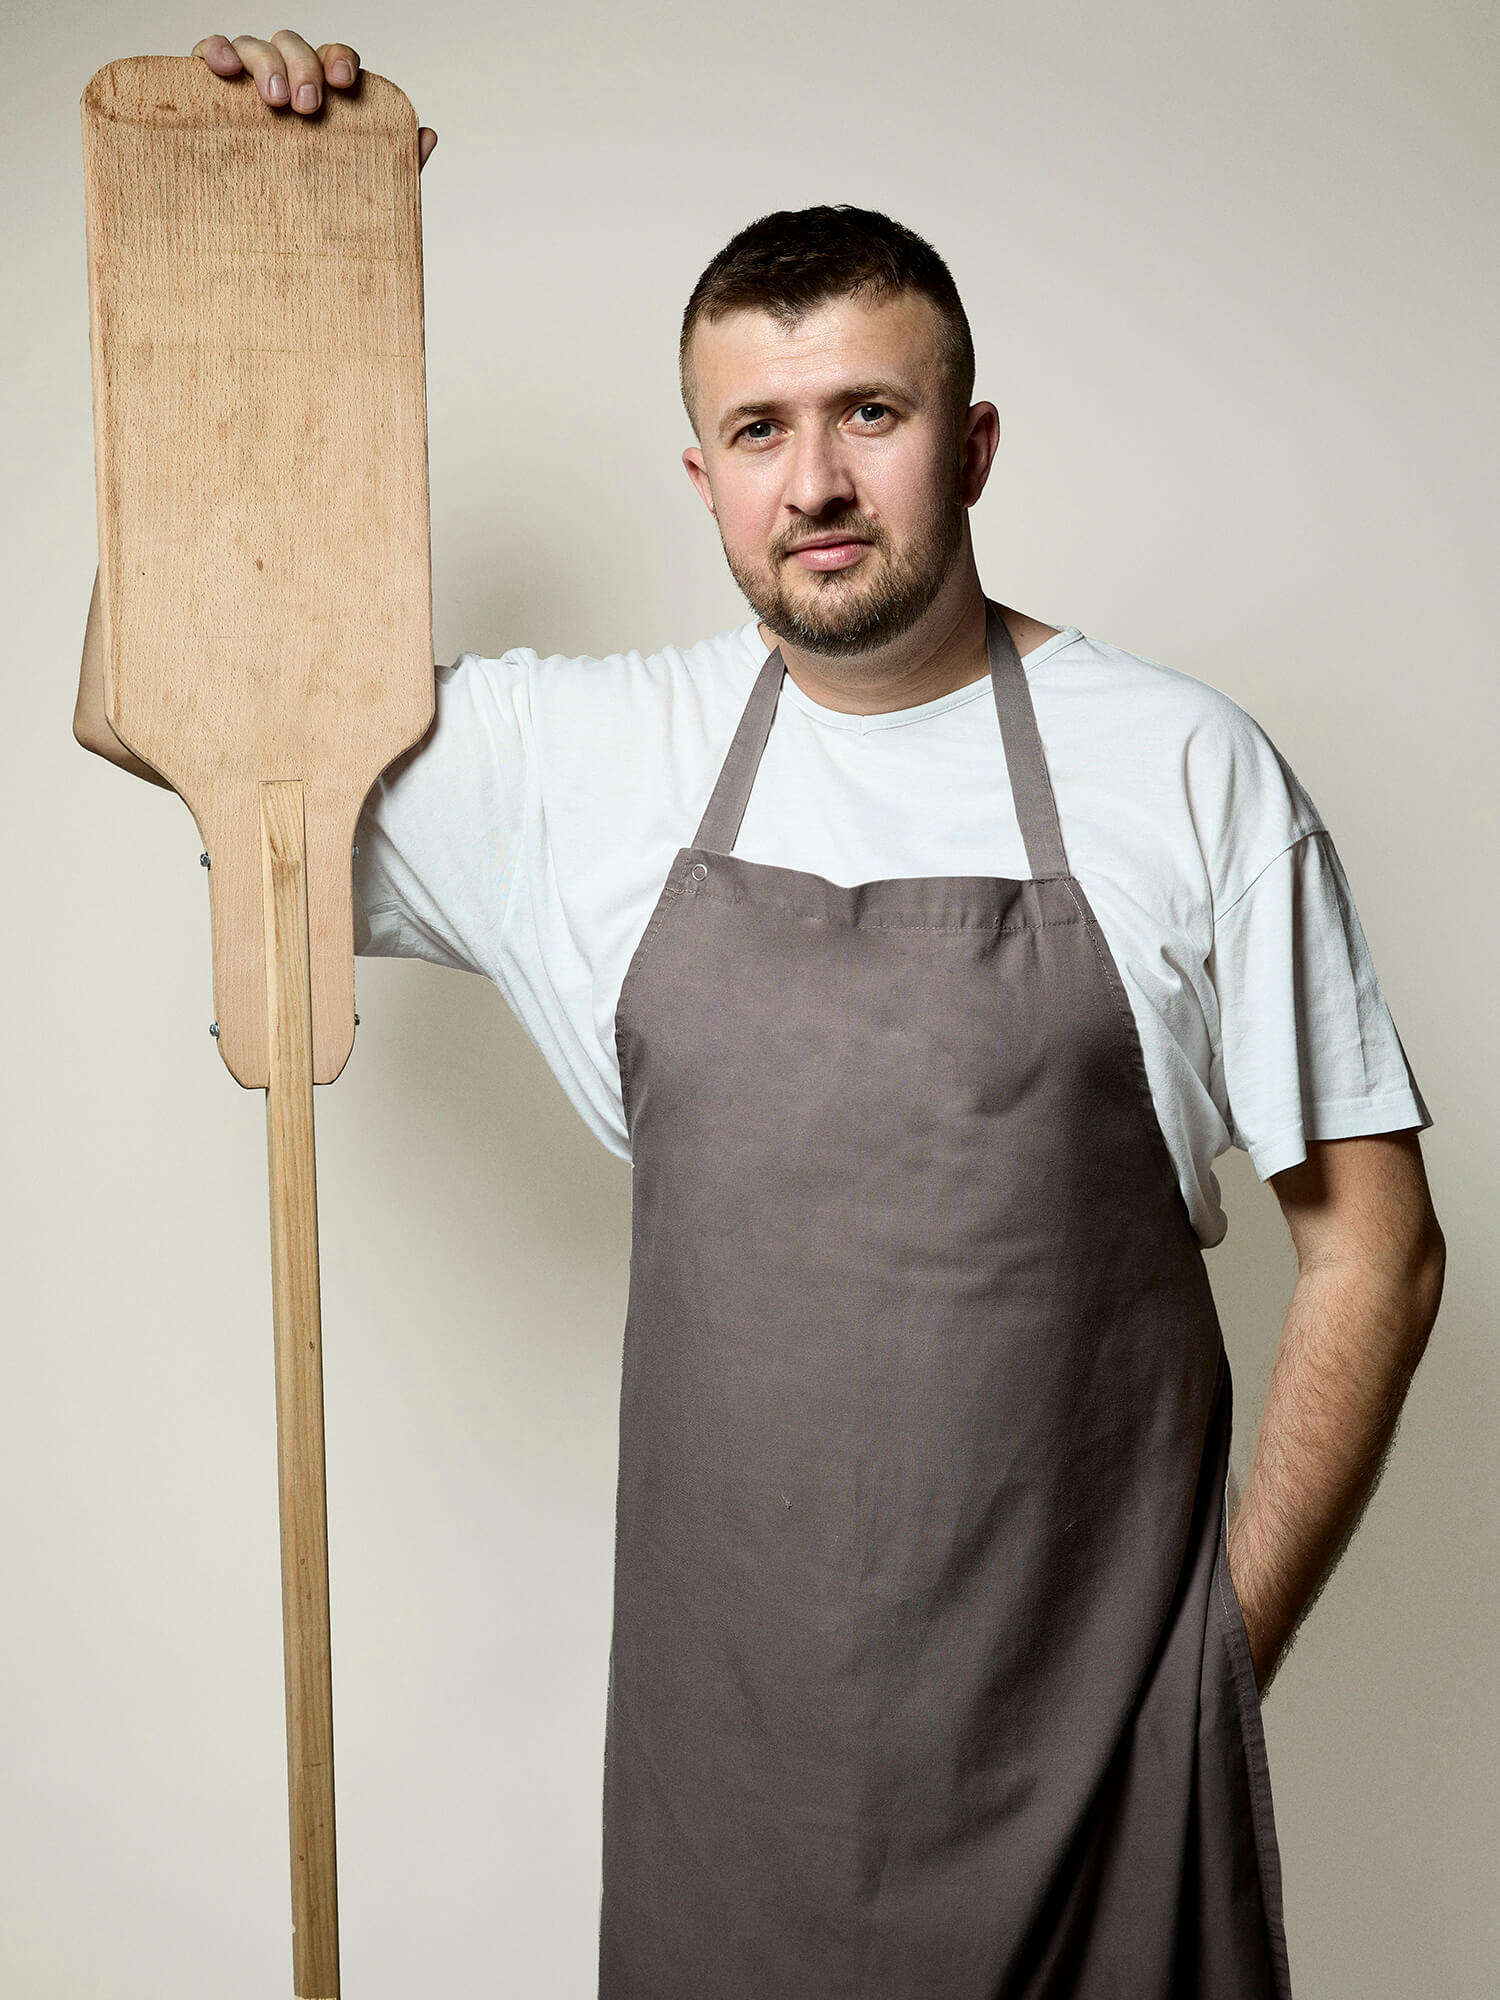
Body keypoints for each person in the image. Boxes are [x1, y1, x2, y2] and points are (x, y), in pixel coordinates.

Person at [74, 32, 1446, 1999]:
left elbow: (1378, 1250)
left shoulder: (1184, 770)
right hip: (729, 1803)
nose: (814, 479)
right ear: (702, 472)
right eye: (761, 427)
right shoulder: (582, 760)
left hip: (1106, 1785)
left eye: (870, 411)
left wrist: (1217, 1668)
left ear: (970, 443)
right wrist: (255, 236)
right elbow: (163, 694)